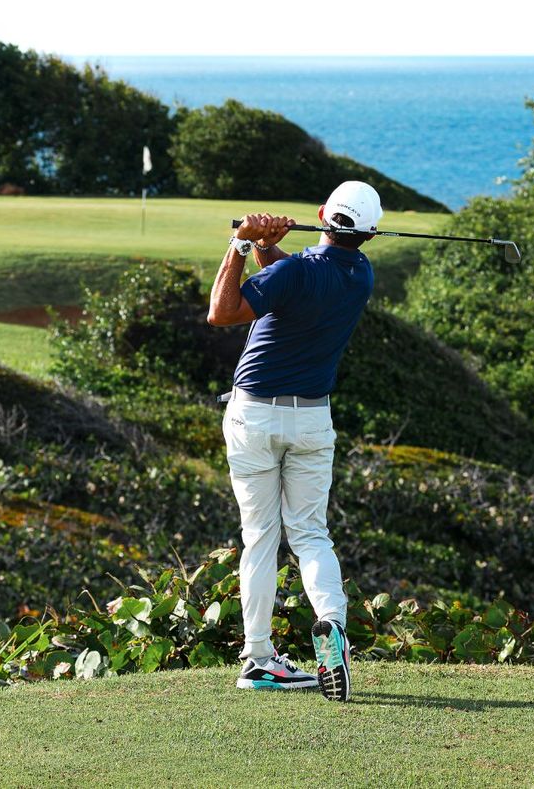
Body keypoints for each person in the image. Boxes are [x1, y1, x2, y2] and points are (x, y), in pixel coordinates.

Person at [205, 180, 381, 703]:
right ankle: (332, 626)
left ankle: (259, 659)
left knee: (260, 536)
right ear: (369, 233)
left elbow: (221, 312)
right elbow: (289, 278)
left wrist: (240, 242)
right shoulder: (359, 275)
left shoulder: (298, 270)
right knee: (310, 534)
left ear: (323, 213)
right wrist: (266, 244)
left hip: (254, 415)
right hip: (311, 420)